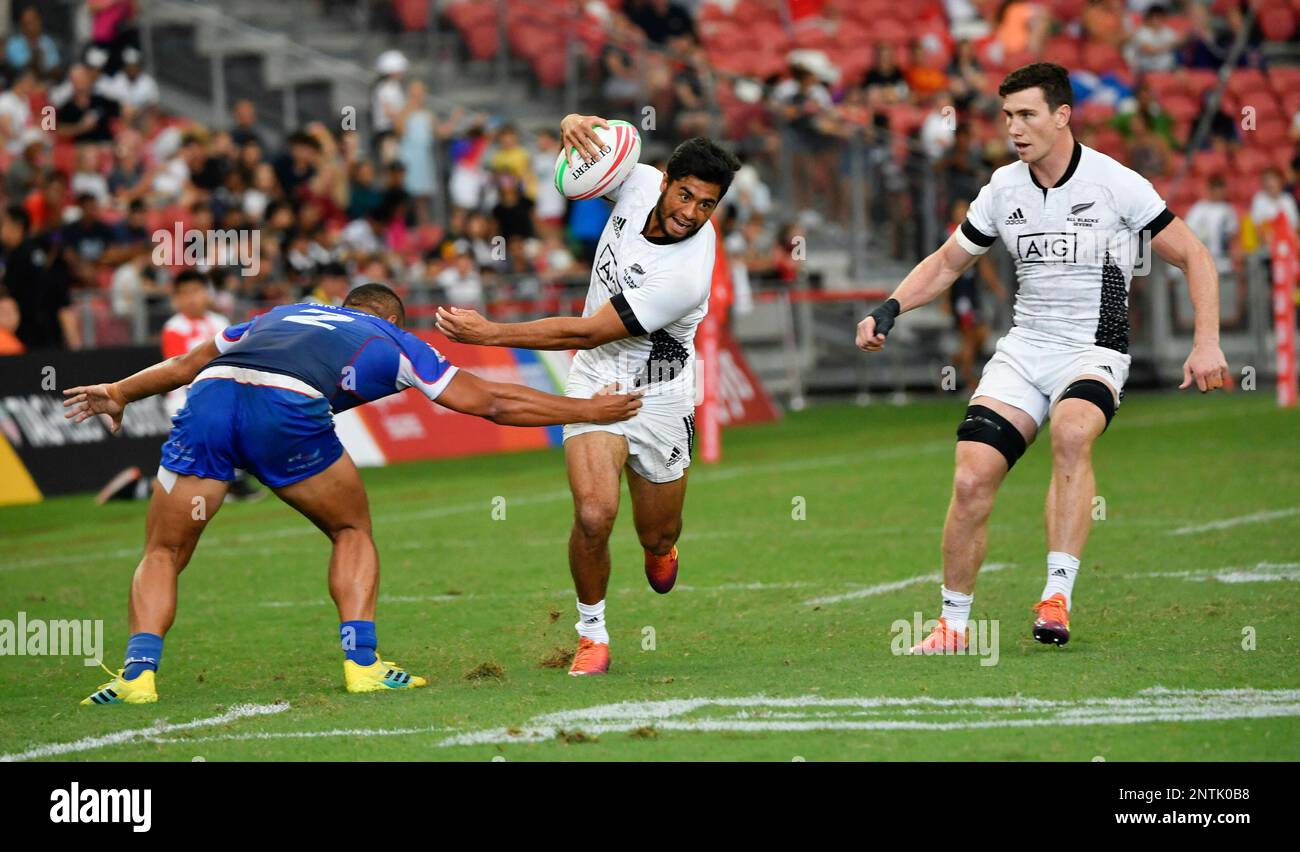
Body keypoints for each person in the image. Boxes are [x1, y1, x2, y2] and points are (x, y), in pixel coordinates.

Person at [65, 283, 642, 704]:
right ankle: (361, 663)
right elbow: (490, 401)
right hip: (286, 411)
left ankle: (137, 674)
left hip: (211, 401)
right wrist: (587, 408)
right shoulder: (393, 338)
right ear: (391, 316)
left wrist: (119, 391)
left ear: (342, 307)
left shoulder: (282, 313)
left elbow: (192, 363)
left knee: (164, 550)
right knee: (349, 529)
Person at [855, 63, 1229, 651]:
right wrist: (890, 308)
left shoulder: (1115, 184)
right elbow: (949, 262)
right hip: (1025, 350)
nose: (1015, 128)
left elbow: (1196, 257)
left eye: (1027, 114)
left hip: (1093, 349)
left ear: (1062, 116)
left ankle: (1057, 594)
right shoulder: (1003, 188)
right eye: (1007, 116)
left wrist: (1206, 342)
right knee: (972, 475)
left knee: (1073, 432)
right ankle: (953, 625)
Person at [436, 122, 740, 677]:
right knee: (595, 514)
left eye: (708, 205)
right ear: (665, 180)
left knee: (659, 533)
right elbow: (585, 163)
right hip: (597, 378)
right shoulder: (639, 180)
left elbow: (584, 331)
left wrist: (491, 333)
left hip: (660, 395)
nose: (692, 213)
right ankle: (592, 632)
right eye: (686, 194)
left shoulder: (684, 275)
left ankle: (660, 546)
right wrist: (572, 124)